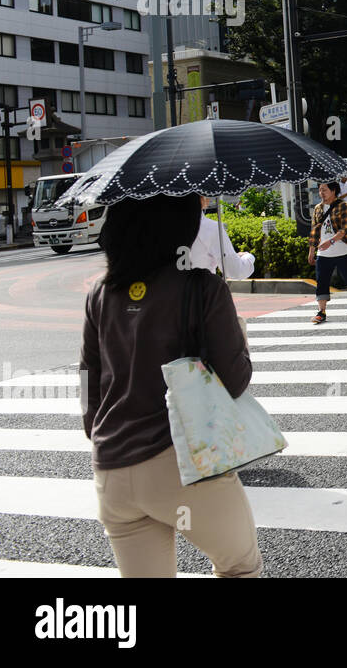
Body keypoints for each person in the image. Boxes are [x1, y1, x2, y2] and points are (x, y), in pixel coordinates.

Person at [82, 194, 262, 577]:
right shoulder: (201, 288)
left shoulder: (100, 293)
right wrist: (239, 341)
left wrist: (97, 432)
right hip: (180, 463)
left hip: (112, 469)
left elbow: (88, 377)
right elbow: (234, 381)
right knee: (240, 566)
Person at [308, 180, 347, 325]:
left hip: (343, 250)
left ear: (333, 191)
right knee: (321, 281)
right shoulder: (318, 208)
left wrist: (330, 241)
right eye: (320, 190)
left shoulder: (343, 206)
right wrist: (311, 250)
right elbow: (314, 230)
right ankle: (321, 312)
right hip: (323, 253)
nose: (321, 193)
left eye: (324, 190)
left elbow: (345, 229)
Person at [190, 197, 255, 280]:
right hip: (201, 290)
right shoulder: (211, 228)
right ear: (202, 199)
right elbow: (235, 271)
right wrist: (248, 257)